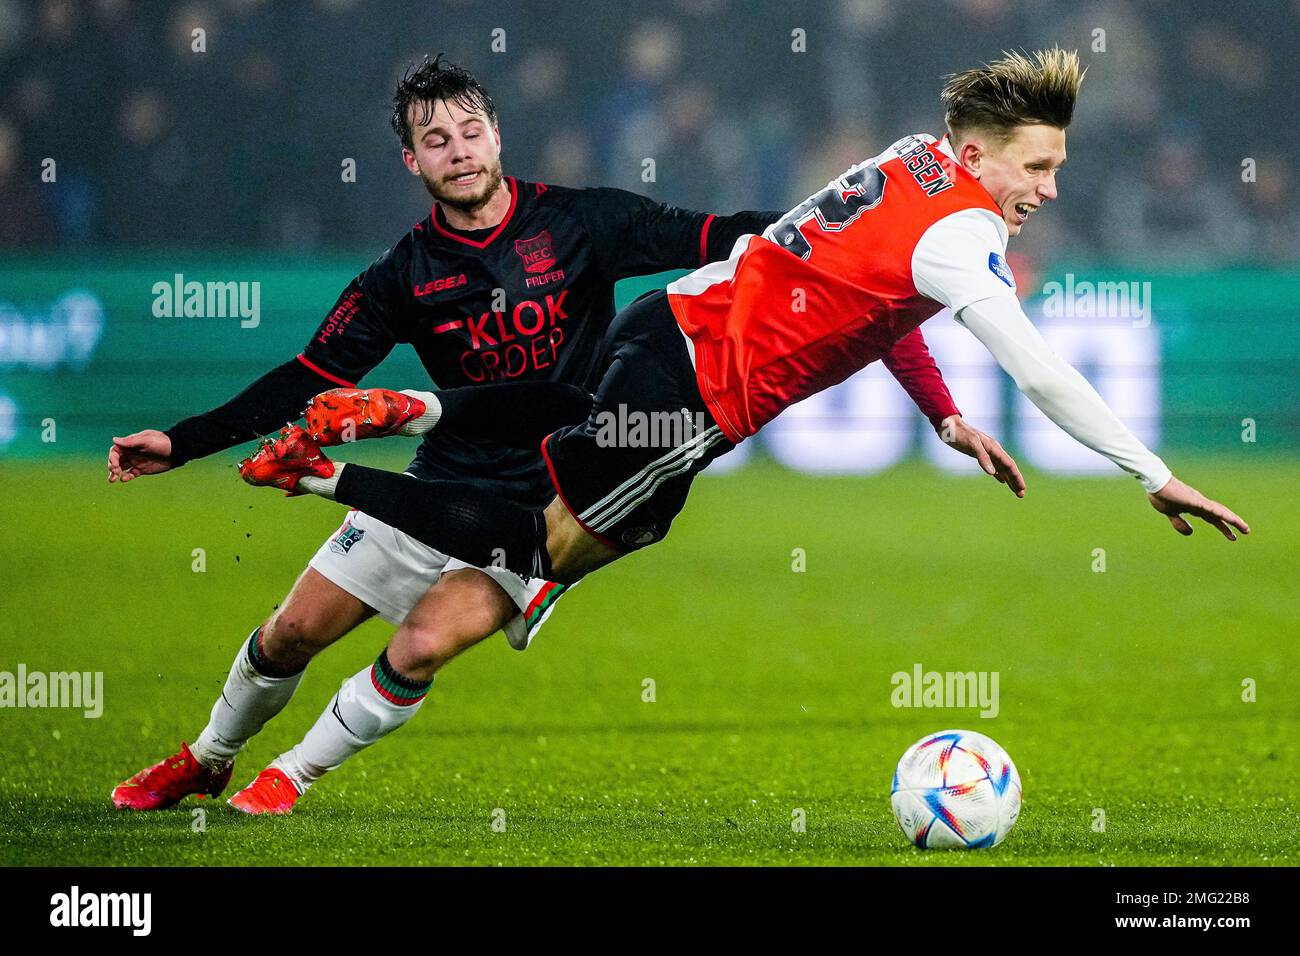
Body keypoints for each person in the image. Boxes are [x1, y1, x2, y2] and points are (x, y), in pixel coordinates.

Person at [109, 56, 1001, 815]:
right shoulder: (400, 275)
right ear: (410, 161)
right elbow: (309, 378)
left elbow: (744, 239)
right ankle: (208, 758)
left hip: (556, 492)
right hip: (440, 478)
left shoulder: (583, 223)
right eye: (435, 142)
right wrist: (183, 443)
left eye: (469, 132)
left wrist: (867, 237)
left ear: (496, 135)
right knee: (289, 634)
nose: (457, 153)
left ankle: (290, 778)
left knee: (420, 643)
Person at [242, 48, 1249, 604]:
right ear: (979, 152)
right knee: (541, 551)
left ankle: (417, 407)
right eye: (1035, 167)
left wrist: (940, 416)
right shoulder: (961, 232)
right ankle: (328, 469)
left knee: (564, 433)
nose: (1049, 186)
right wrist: (1151, 472)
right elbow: (1037, 372)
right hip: (697, 391)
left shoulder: (909, 160)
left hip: (665, 323)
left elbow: (877, 298)